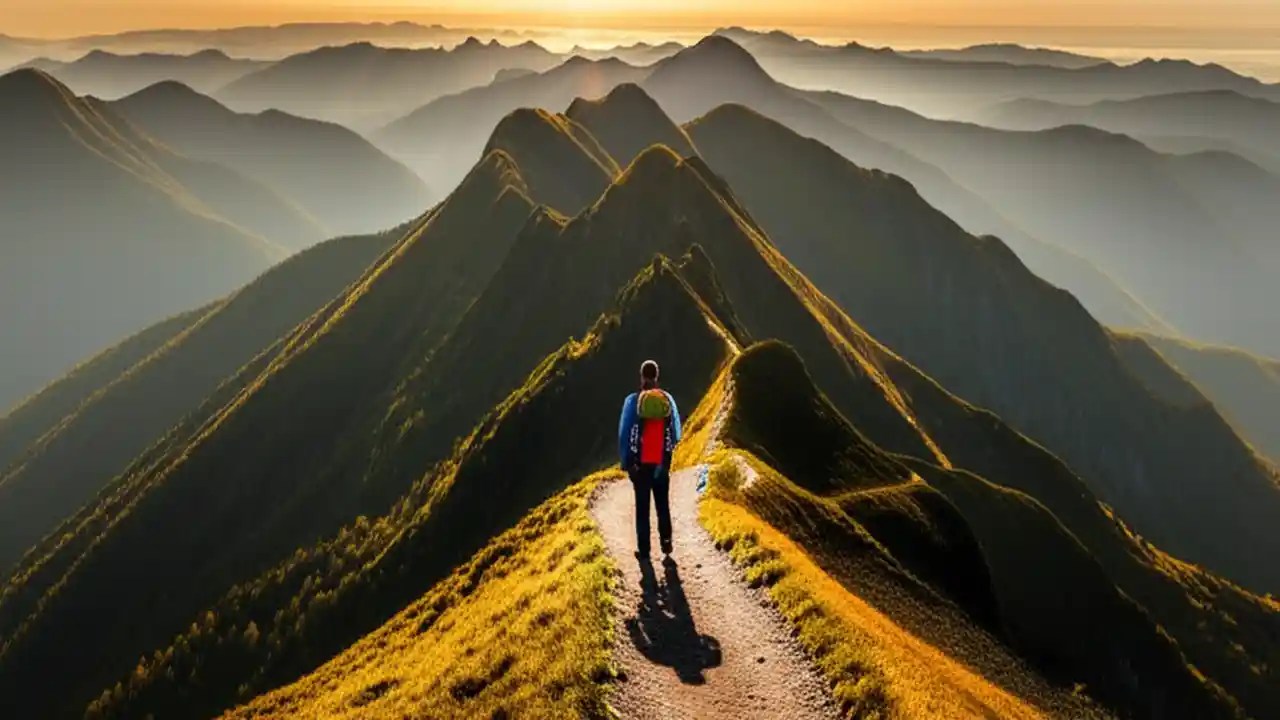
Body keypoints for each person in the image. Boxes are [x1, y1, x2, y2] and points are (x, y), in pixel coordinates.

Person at [618, 359, 682, 557]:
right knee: (662, 504)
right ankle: (666, 542)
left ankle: (644, 550)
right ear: (657, 376)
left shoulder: (632, 401)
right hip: (662, 462)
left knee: (642, 507)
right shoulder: (667, 399)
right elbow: (676, 433)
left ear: (642, 376)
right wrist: (666, 456)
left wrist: (627, 463)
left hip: (641, 465)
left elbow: (625, 433)